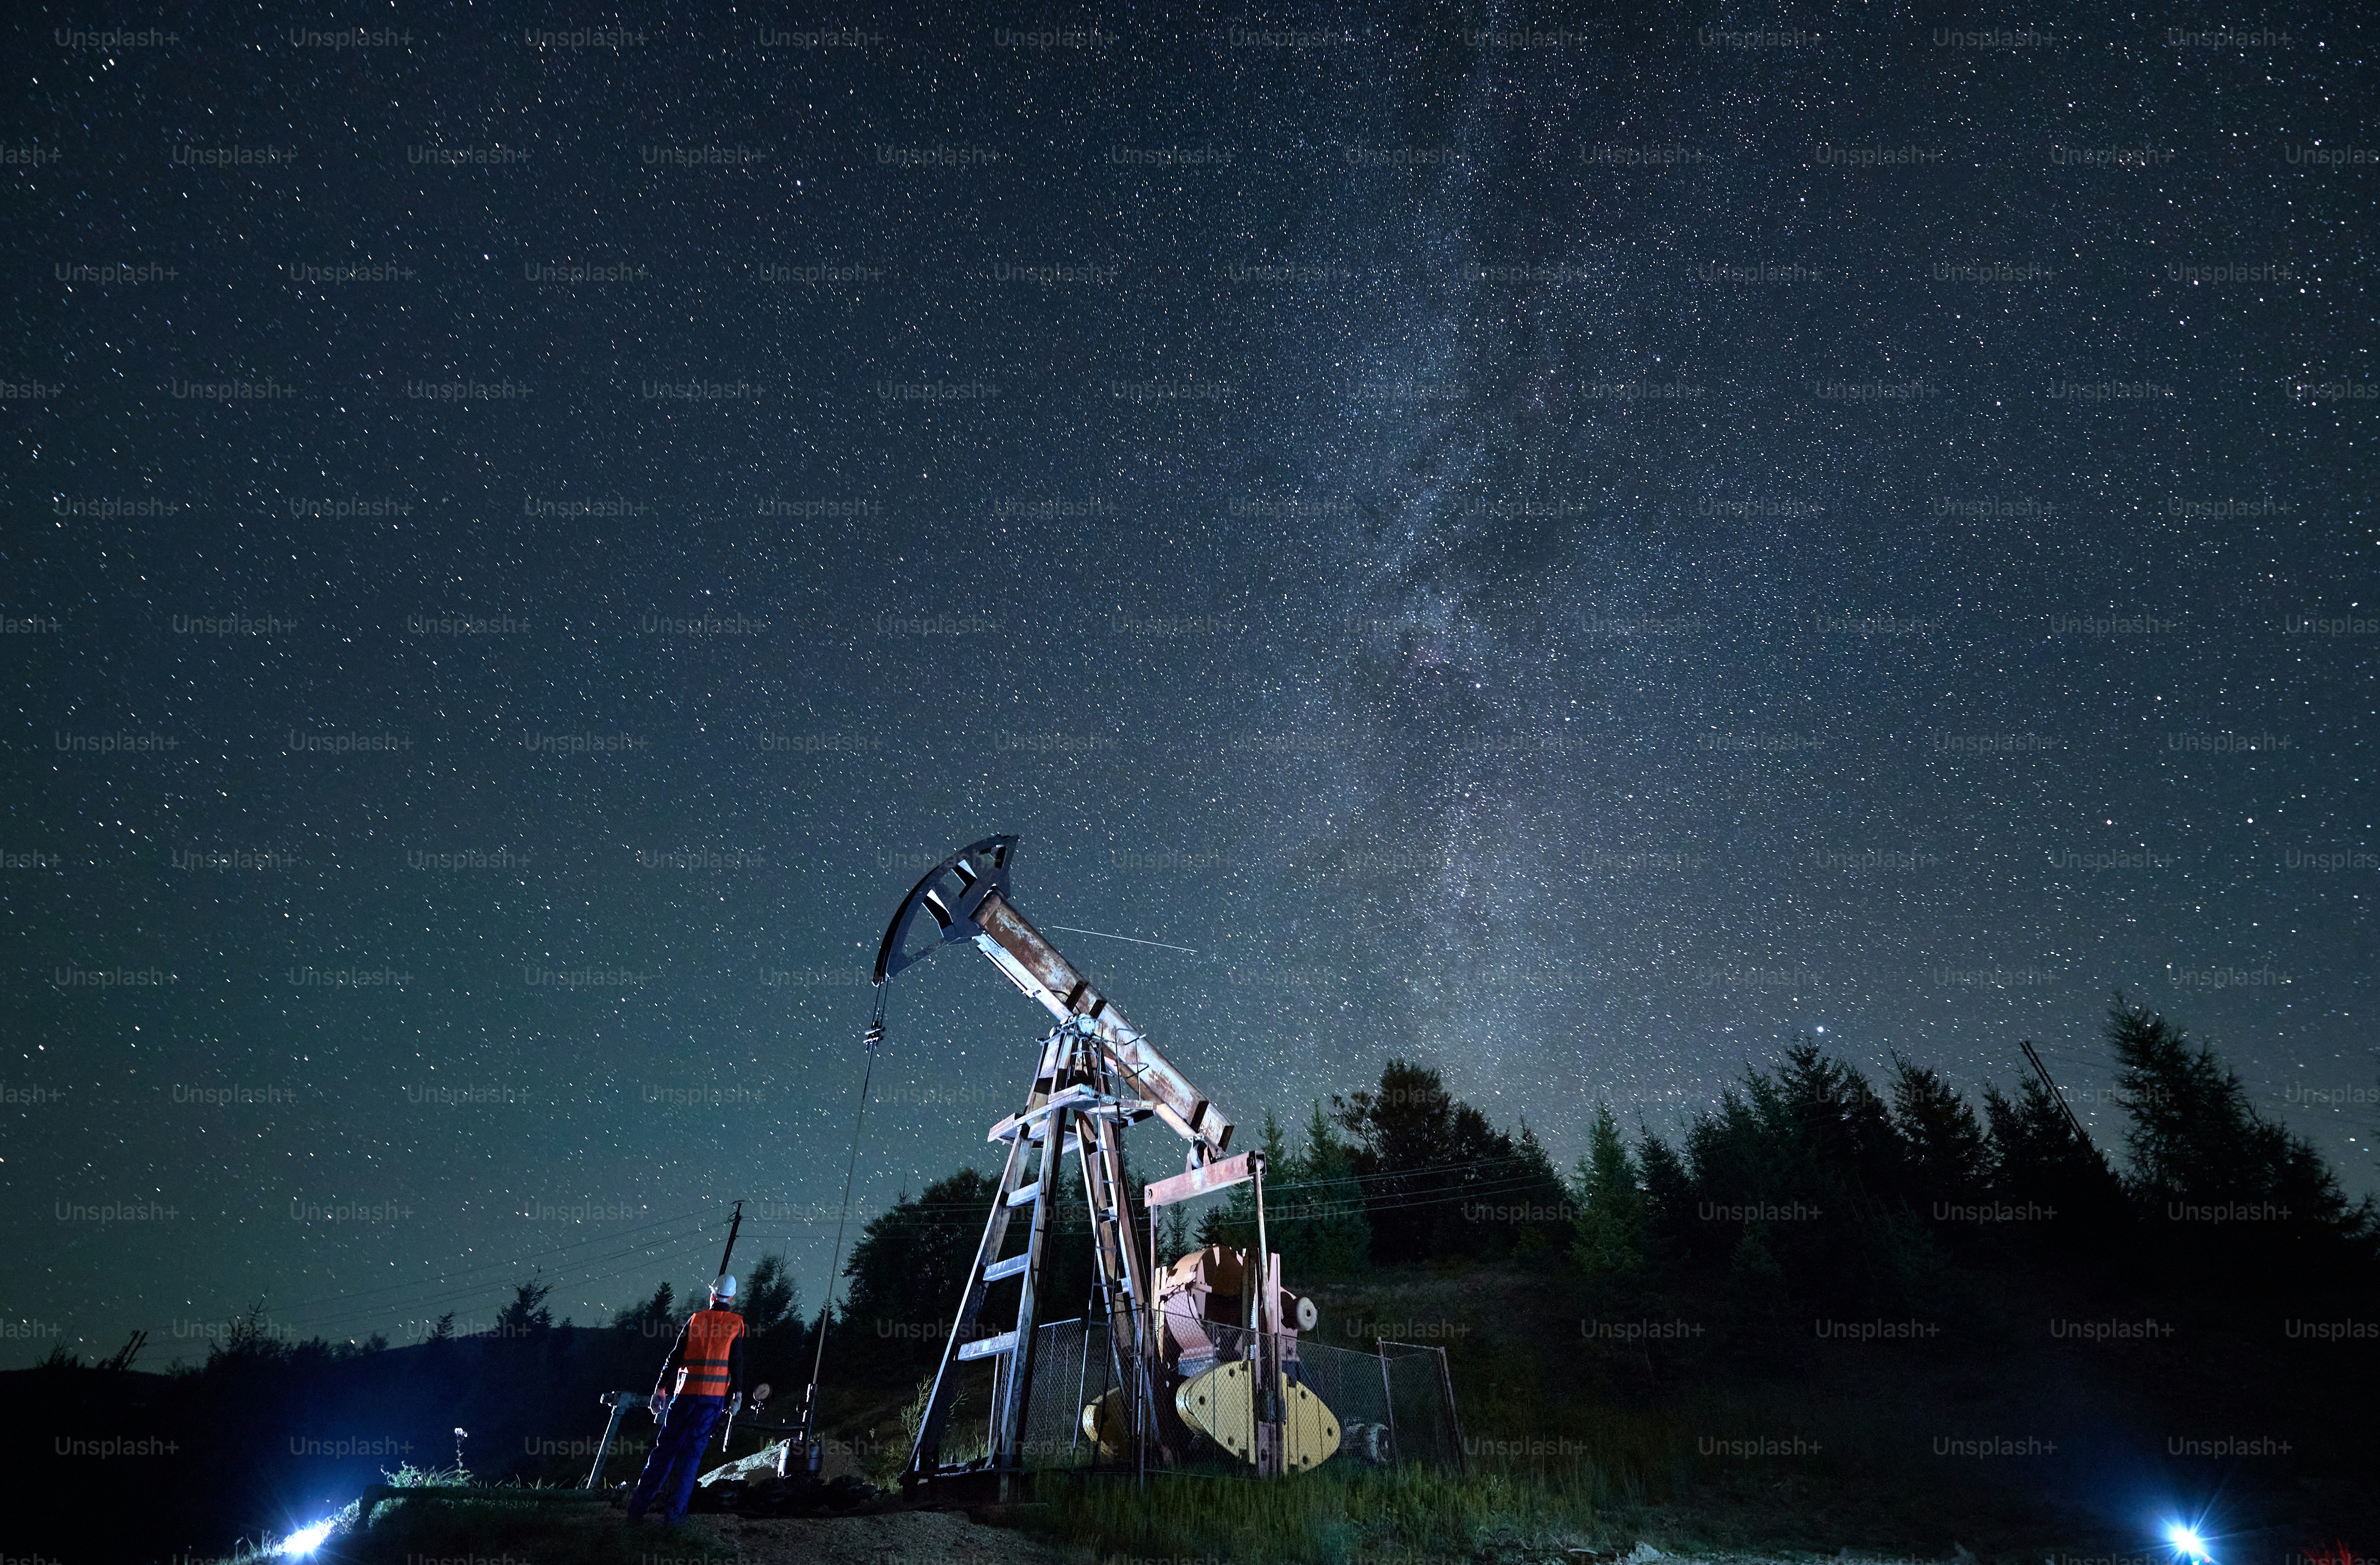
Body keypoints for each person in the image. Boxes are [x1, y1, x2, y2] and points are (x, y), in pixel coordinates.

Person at [624, 1274, 746, 1525]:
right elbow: (737, 1364)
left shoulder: (696, 1320)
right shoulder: (736, 1325)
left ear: (712, 1296)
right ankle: (674, 1519)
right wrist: (738, 1394)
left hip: (684, 1397)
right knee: (691, 1457)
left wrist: (660, 1388)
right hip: (711, 1402)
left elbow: (675, 1356)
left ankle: (636, 1512)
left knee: (664, 1452)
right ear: (732, 1298)